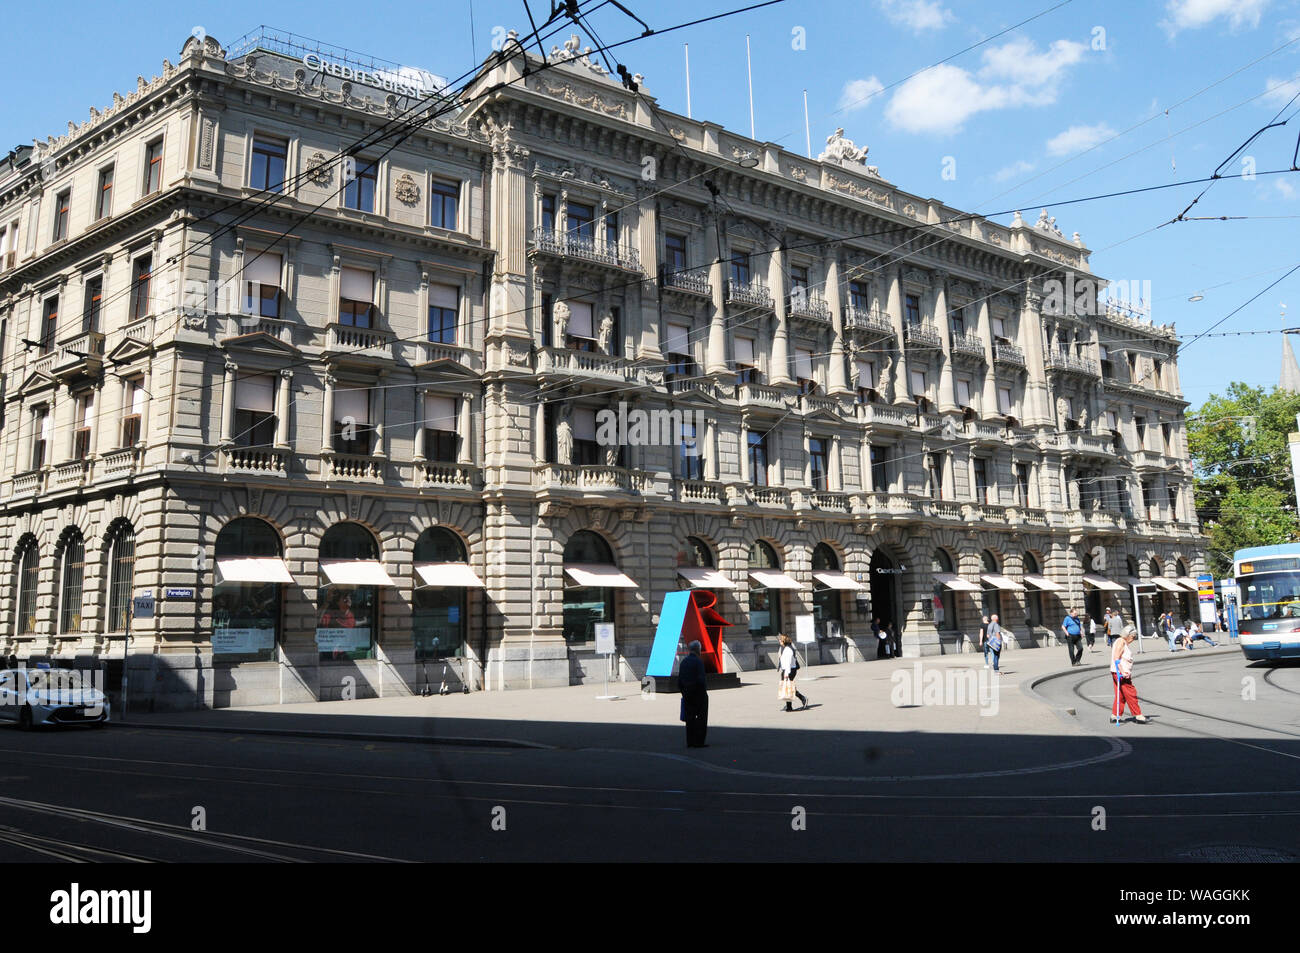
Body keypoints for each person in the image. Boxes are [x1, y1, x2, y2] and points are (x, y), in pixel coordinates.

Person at [1110, 625, 1149, 724]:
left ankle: (1115, 715)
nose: (1133, 639)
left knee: (1121, 695)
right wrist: (1122, 671)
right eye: (1133, 637)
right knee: (1131, 693)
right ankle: (1138, 715)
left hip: (1118, 672)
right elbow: (1116, 658)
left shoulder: (1121, 641)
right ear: (1128, 635)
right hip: (1121, 673)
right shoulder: (1121, 641)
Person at [678, 640, 709, 748]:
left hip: (687, 693)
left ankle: (690, 741)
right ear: (698, 650)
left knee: (689, 718)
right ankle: (699, 741)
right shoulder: (698, 662)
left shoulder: (684, 662)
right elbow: (701, 680)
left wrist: (684, 692)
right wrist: (703, 693)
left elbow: (680, 680)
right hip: (698, 694)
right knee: (701, 718)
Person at [777, 634, 808, 712]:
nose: (779, 641)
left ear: (784, 641)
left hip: (789, 670)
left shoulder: (788, 650)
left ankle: (802, 698)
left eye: (780, 640)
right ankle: (789, 706)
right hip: (787, 670)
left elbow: (788, 663)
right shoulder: (786, 648)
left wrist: (786, 673)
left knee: (789, 687)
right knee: (788, 687)